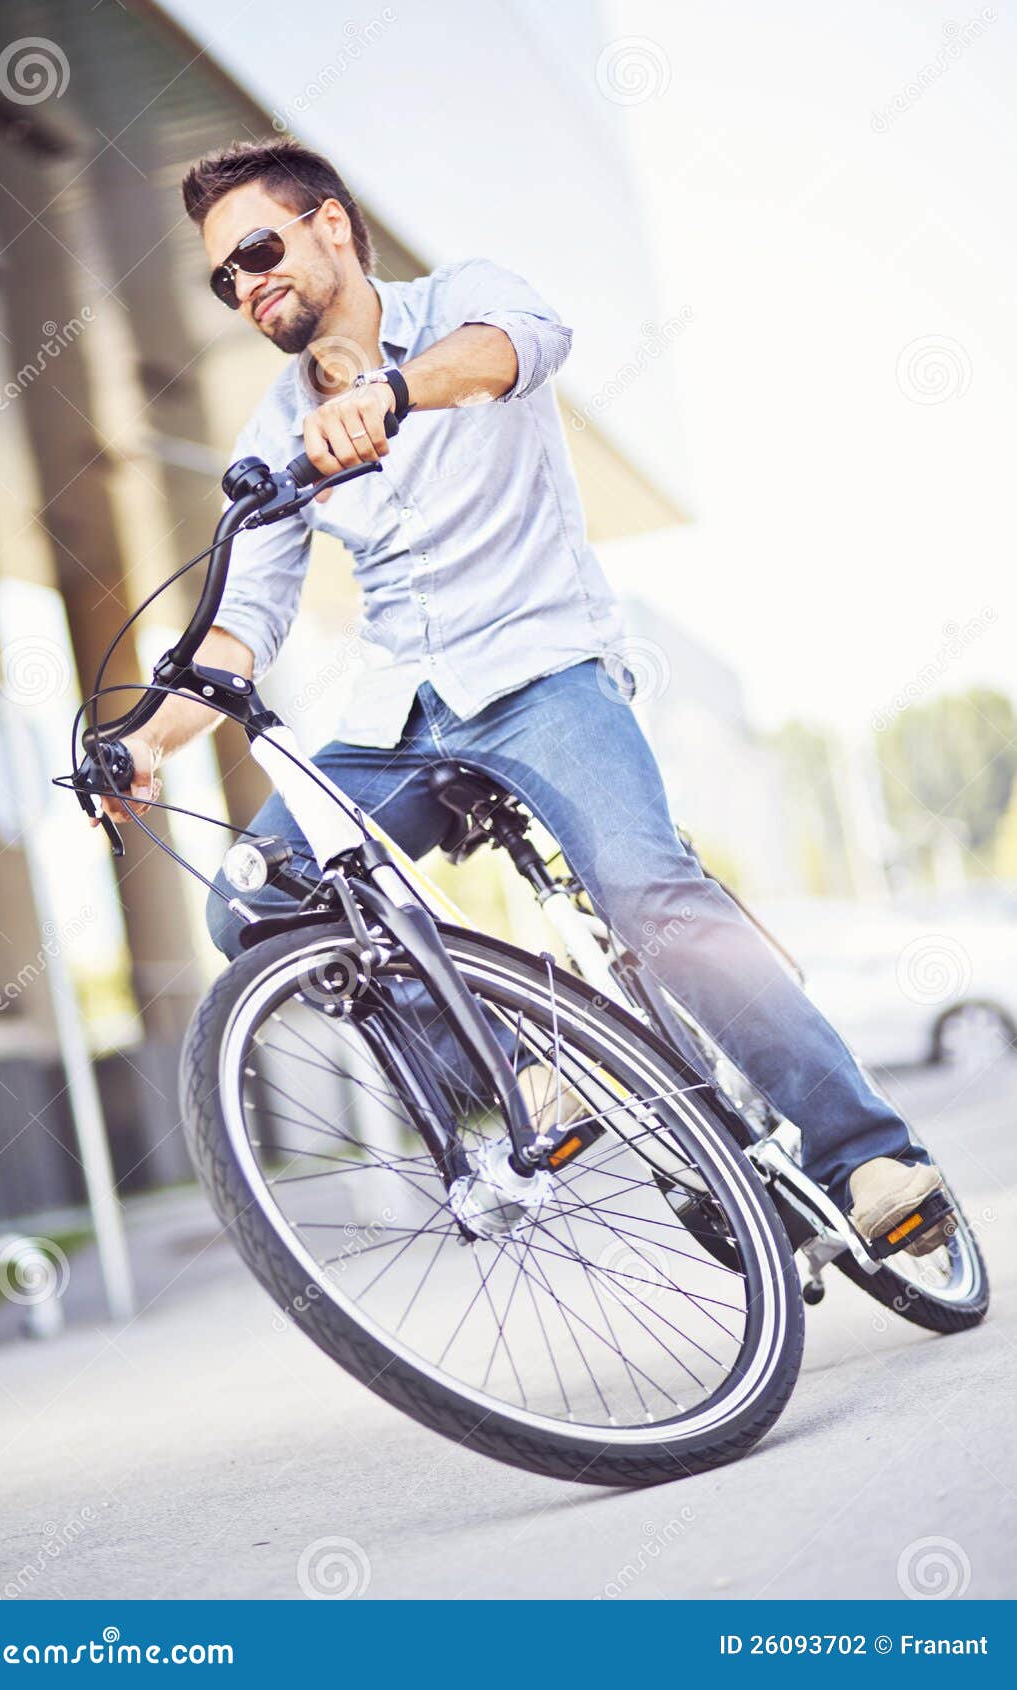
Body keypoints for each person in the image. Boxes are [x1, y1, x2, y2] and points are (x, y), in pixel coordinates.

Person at [99, 138, 945, 1252]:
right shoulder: (270, 430)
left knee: (651, 891)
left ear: (332, 226)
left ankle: (865, 1155)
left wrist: (391, 392)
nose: (245, 282)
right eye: (223, 275)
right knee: (255, 899)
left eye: (258, 248)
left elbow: (515, 350)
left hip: (543, 673)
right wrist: (144, 739)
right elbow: (241, 625)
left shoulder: (465, 297)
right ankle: (530, 1069)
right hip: (400, 718)